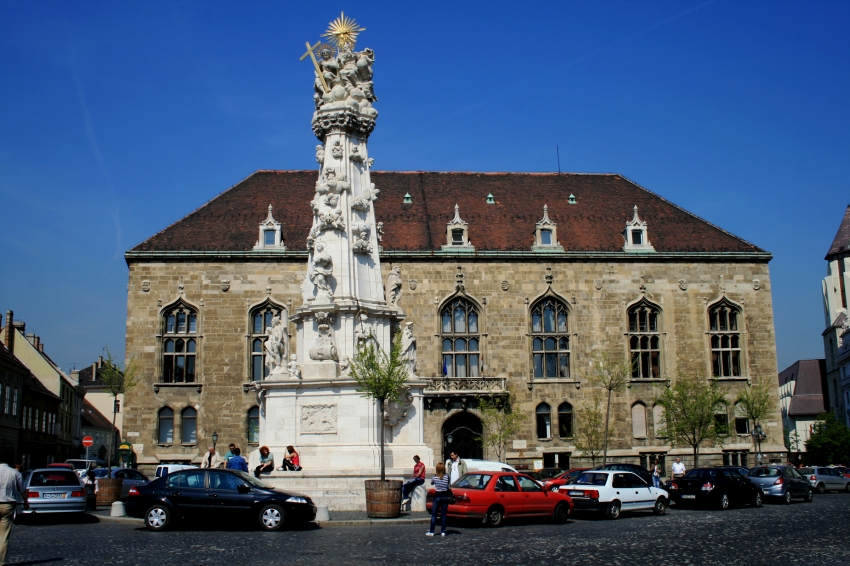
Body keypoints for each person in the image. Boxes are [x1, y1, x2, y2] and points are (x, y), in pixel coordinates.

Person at [0, 458, 25, 564]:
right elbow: (23, 490)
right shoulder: (15, 473)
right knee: (3, 536)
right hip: (8, 505)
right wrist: (26, 501)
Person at [427, 462, 451, 537]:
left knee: (434, 514)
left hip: (437, 495)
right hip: (445, 495)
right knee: (443, 514)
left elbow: (431, 483)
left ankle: (431, 531)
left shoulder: (434, 477)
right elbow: (448, 483)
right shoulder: (447, 476)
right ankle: (443, 531)